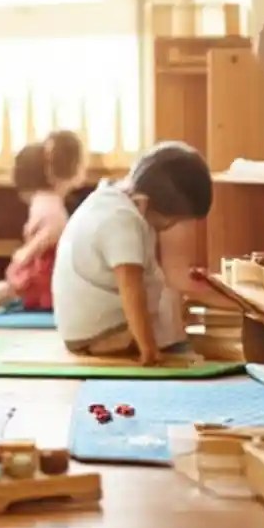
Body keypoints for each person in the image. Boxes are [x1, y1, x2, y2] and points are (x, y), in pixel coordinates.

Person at [52, 141, 217, 365]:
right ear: (146, 204)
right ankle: (143, 343)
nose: (170, 228)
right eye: (173, 221)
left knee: (170, 306)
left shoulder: (114, 200)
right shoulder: (120, 219)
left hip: (88, 327)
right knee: (170, 312)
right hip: (101, 333)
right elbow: (131, 287)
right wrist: (148, 348)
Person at [0, 131, 87, 315]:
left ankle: (7, 294)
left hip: (42, 266)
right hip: (43, 270)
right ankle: (2, 294)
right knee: (28, 290)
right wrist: (29, 251)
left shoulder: (44, 199)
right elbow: (53, 229)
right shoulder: (49, 201)